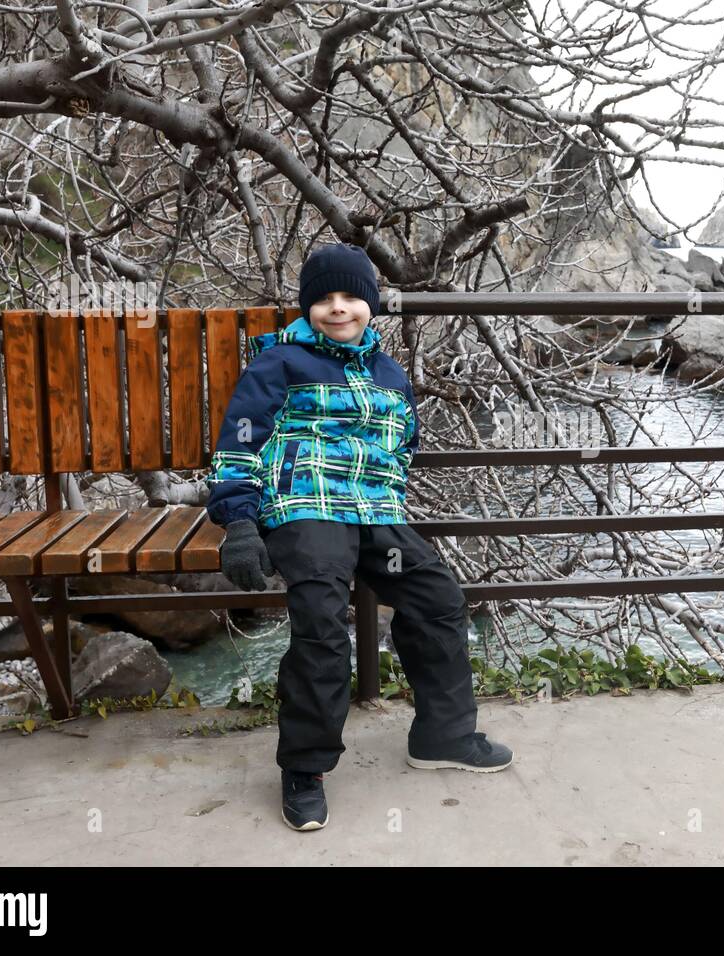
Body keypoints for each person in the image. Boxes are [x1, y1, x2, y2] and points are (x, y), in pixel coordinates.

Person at [205, 242, 512, 832]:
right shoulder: (279, 364)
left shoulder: (389, 372)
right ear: (306, 308)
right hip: (306, 507)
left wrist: (387, 498)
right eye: (324, 299)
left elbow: (402, 445)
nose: (338, 309)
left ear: (371, 305)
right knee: (322, 619)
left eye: (351, 297)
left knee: (437, 598)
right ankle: (305, 767)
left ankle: (441, 736)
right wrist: (240, 521)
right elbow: (238, 444)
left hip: (374, 512)